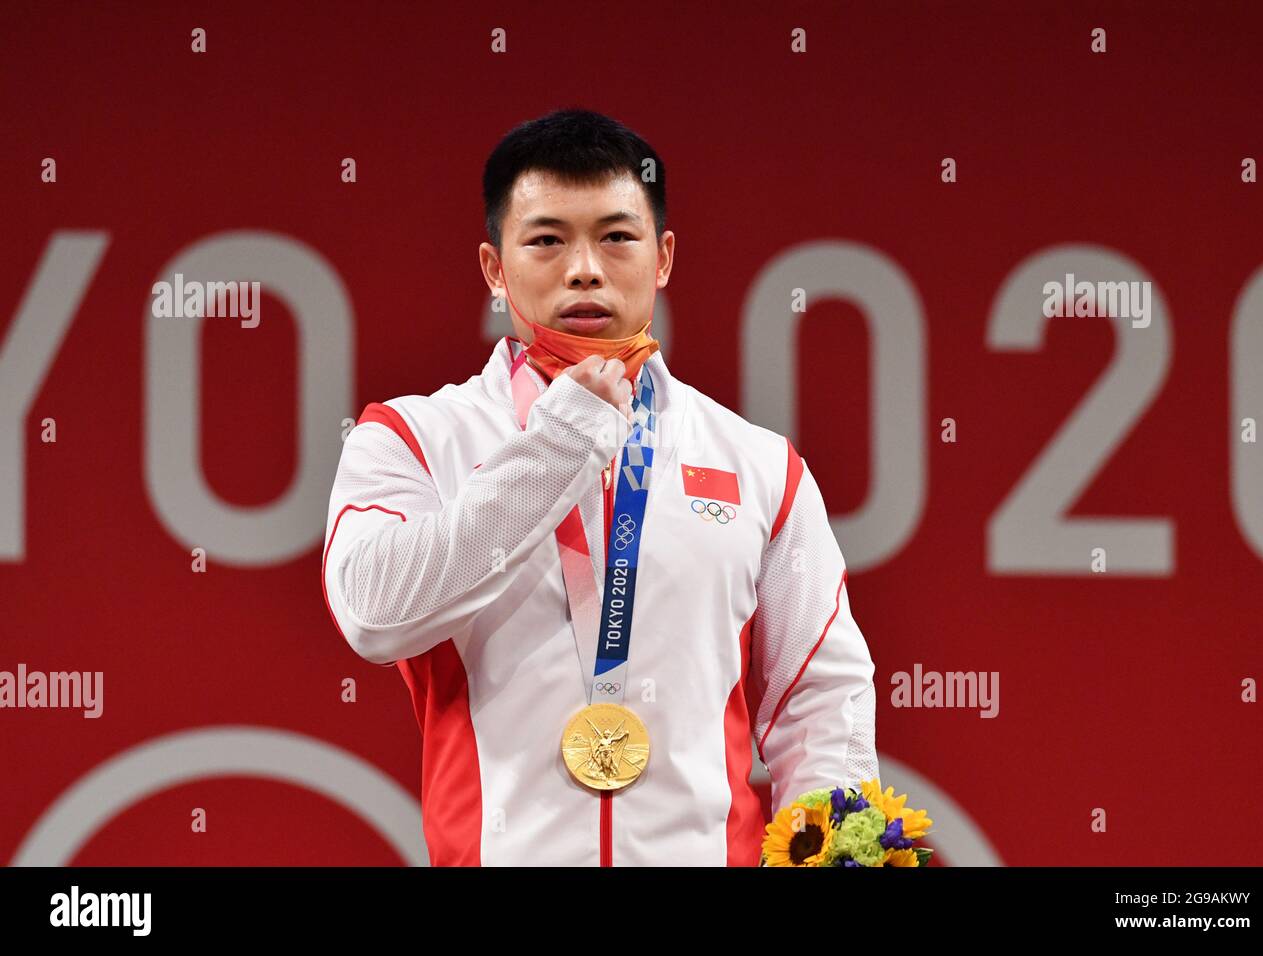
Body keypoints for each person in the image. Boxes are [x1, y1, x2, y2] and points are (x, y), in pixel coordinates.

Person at [321, 108, 879, 866]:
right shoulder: (414, 439)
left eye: (617, 237)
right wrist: (559, 444)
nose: (584, 268)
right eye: (547, 240)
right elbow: (375, 612)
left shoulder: (760, 466)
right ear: (494, 268)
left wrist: (838, 859)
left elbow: (821, 696)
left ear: (664, 258)